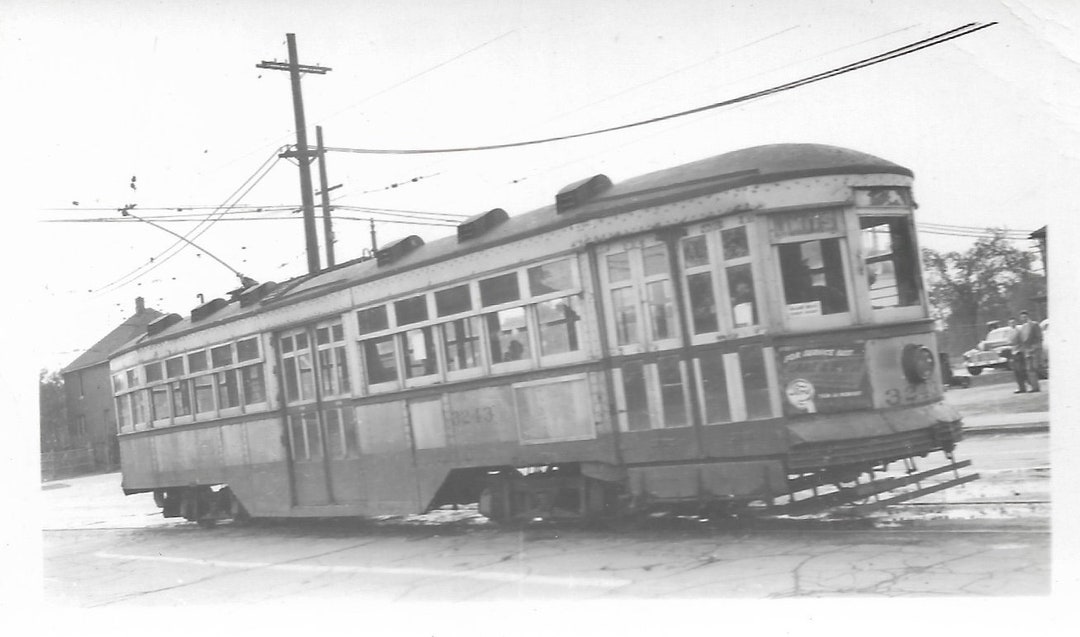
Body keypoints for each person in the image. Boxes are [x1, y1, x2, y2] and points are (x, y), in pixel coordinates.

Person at [1011, 311, 1043, 393]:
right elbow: (1021, 340)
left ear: (1028, 316)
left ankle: (1035, 387)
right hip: (1027, 351)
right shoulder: (1022, 327)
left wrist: (1036, 348)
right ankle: (1034, 387)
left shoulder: (1034, 324)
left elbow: (1039, 337)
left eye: (1025, 317)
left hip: (1034, 350)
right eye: (1022, 317)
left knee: (1035, 368)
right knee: (1029, 369)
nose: (1023, 318)